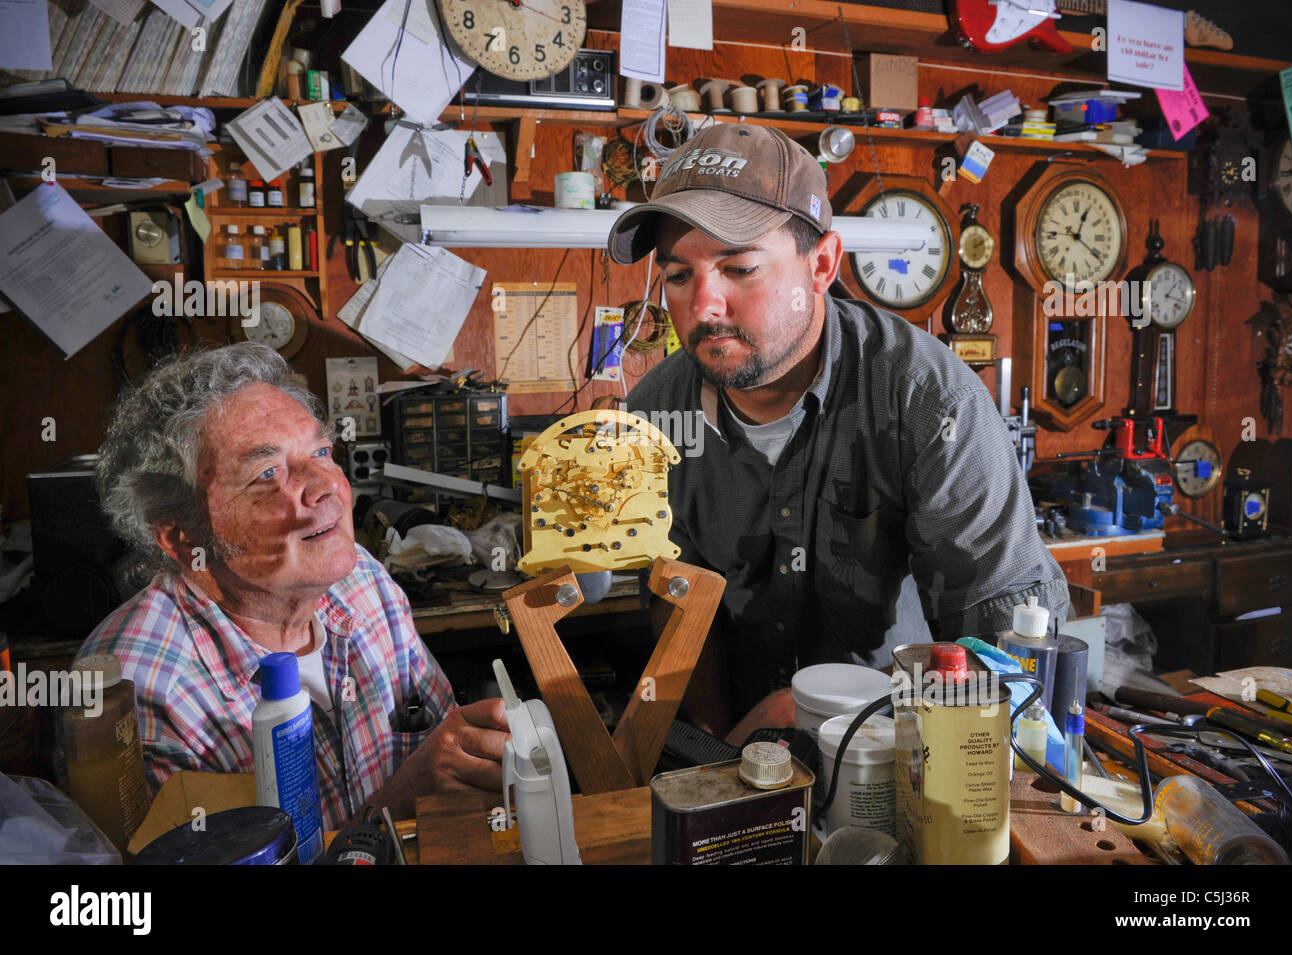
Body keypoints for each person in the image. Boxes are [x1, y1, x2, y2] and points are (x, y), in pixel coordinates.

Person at [608, 124, 1071, 742]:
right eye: (678, 276)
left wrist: (836, 706)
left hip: (908, 744)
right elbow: (679, 610)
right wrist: (717, 751)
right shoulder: (653, 418)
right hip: (744, 747)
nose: (705, 305)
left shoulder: (927, 401)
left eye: (739, 267)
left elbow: (1010, 655)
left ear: (821, 263)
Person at [78, 344, 509, 828]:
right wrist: (402, 801)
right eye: (268, 473)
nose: (326, 486)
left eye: (321, 452)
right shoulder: (146, 697)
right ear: (182, 536)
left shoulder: (362, 580)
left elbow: (444, 753)